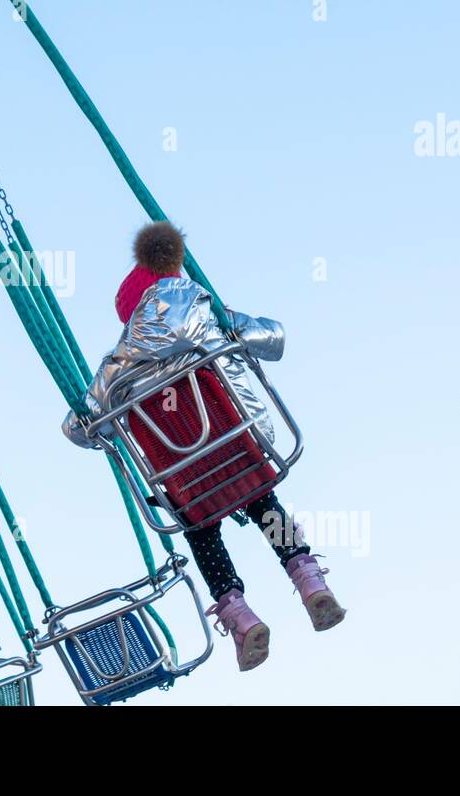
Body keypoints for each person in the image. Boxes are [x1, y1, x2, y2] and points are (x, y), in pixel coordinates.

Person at [62, 221, 345, 671]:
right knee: (263, 502)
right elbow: (275, 339)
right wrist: (234, 326)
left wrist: (89, 415)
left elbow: (80, 428)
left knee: (199, 527)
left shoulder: (118, 365)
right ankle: (309, 580)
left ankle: (238, 614)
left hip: (186, 481)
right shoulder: (210, 314)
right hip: (240, 451)